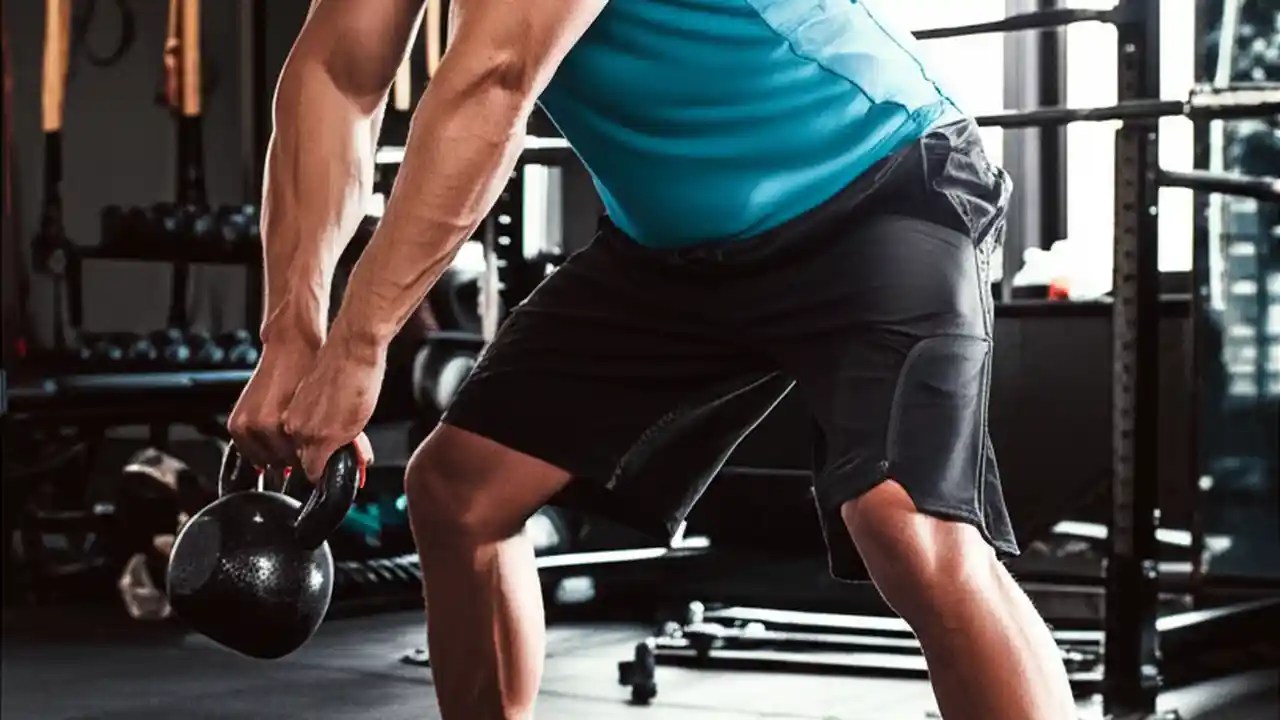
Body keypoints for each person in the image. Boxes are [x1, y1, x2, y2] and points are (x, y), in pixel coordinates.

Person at [227, 0, 1076, 718]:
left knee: (908, 525)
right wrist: (291, 332)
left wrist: (361, 343)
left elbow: (496, 78)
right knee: (459, 493)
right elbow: (337, 78)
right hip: (672, 249)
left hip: (876, 184)